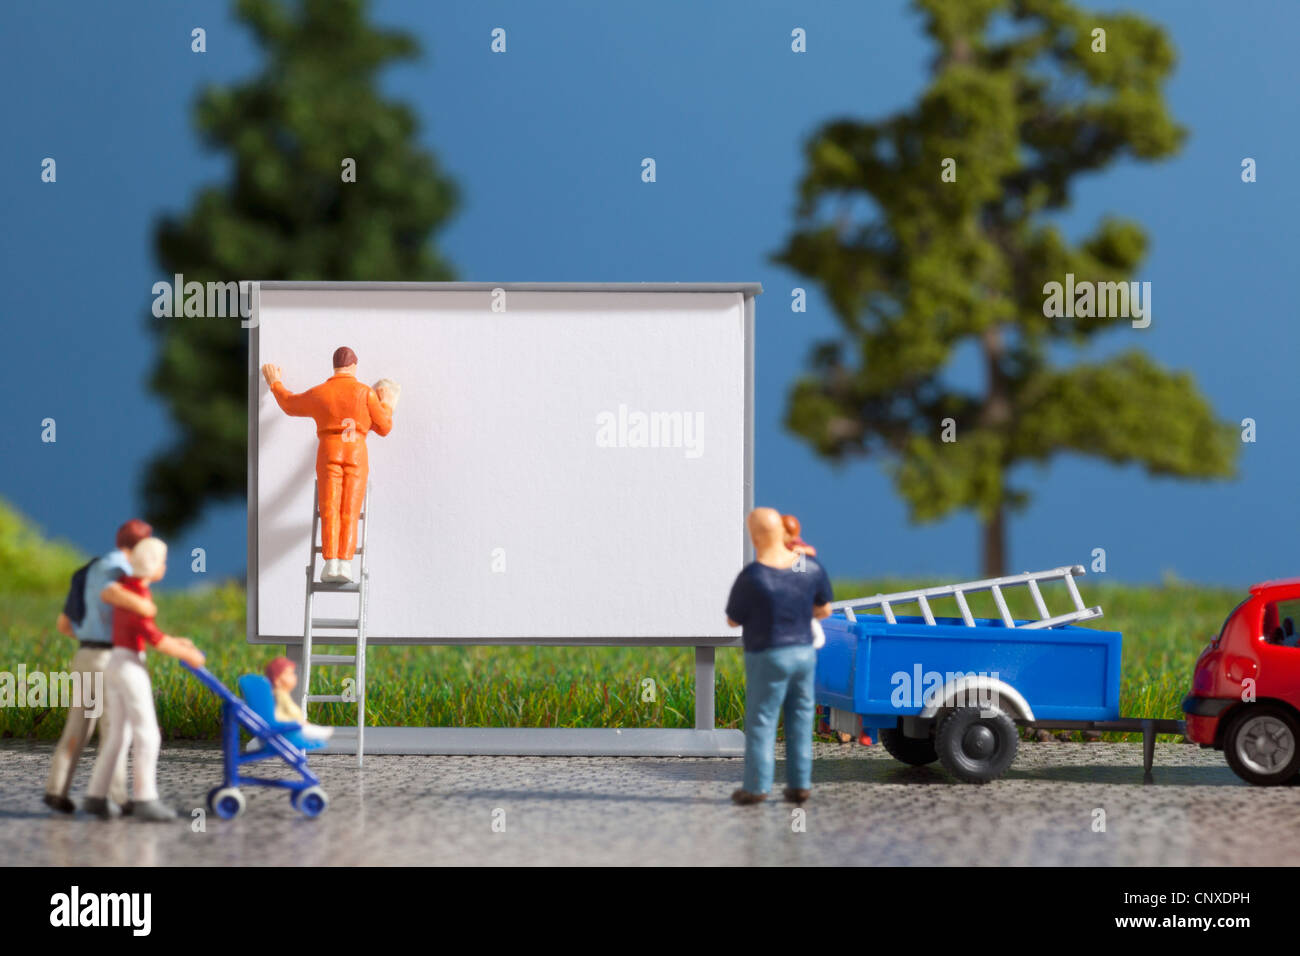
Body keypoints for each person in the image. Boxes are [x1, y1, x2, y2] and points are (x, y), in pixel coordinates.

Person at [84, 537, 205, 822]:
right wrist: (189, 655)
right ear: (153, 566)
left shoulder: (126, 589)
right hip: (128, 666)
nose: (165, 566)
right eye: (163, 561)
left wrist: (177, 641)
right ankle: (145, 799)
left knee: (118, 735)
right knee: (147, 733)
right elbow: (154, 638)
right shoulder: (138, 597)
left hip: (115, 662)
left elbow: (147, 631)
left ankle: (95, 796)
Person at [44, 519, 157, 814]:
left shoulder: (87, 570)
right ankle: (115, 796)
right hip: (111, 658)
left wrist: (90, 635)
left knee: (78, 725)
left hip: (86, 656)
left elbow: (64, 625)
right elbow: (121, 601)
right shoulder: (123, 573)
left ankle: (56, 789)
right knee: (114, 728)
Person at [261, 347, 399, 584]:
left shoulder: (322, 393)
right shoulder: (366, 393)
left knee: (329, 507)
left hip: (329, 450)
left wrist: (275, 383)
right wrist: (385, 402)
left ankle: (330, 563)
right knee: (350, 509)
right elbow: (384, 426)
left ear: (334, 366)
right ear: (354, 366)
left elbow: (290, 404)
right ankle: (345, 563)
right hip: (355, 451)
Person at [726, 507, 834, 806]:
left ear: (755, 536)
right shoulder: (809, 568)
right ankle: (800, 785)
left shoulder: (753, 576)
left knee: (762, 720)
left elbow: (733, 620)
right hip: (803, 652)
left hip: (768, 654)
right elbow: (824, 609)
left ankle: (757, 787)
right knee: (800, 717)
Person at [782, 514, 825, 650]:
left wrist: (799, 550)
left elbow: (810, 550)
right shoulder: (778, 546)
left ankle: (815, 636)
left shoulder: (795, 544)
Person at [265, 657, 333, 742]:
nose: (294, 676)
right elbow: (292, 711)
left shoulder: (278, 694)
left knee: (310, 729)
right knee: (309, 730)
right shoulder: (280, 695)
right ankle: (319, 732)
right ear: (277, 680)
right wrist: (301, 721)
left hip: (285, 725)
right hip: (286, 727)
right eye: (290, 674)